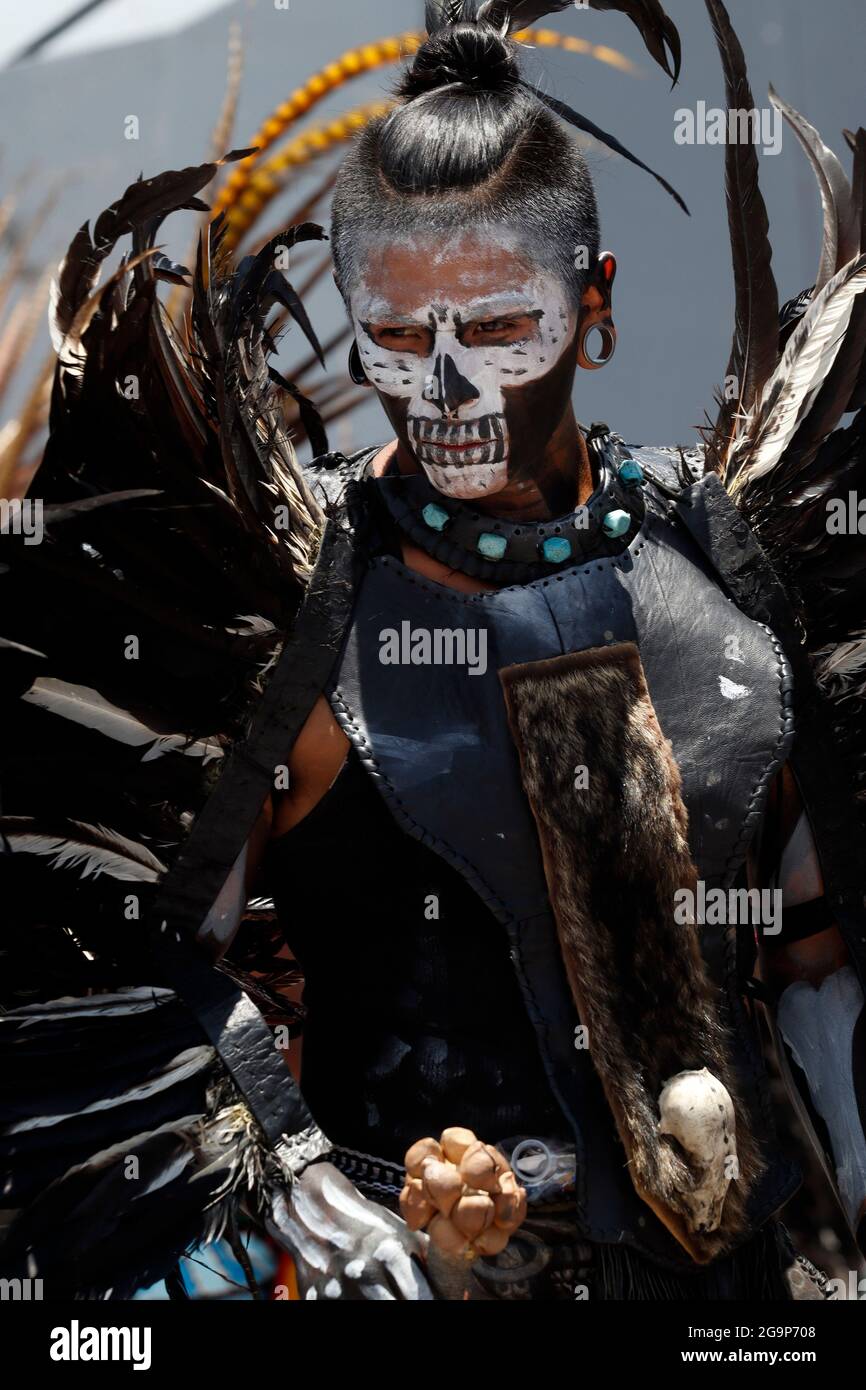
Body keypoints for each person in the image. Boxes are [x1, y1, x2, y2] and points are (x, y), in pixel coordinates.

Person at [1, 0, 864, 1302]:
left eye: (501, 326)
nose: (448, 387)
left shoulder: (739, 574)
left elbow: (814, 953)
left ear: (595, 302)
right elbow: (144, 955)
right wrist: (306, 1182)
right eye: (398, 338)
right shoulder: (297, 614)